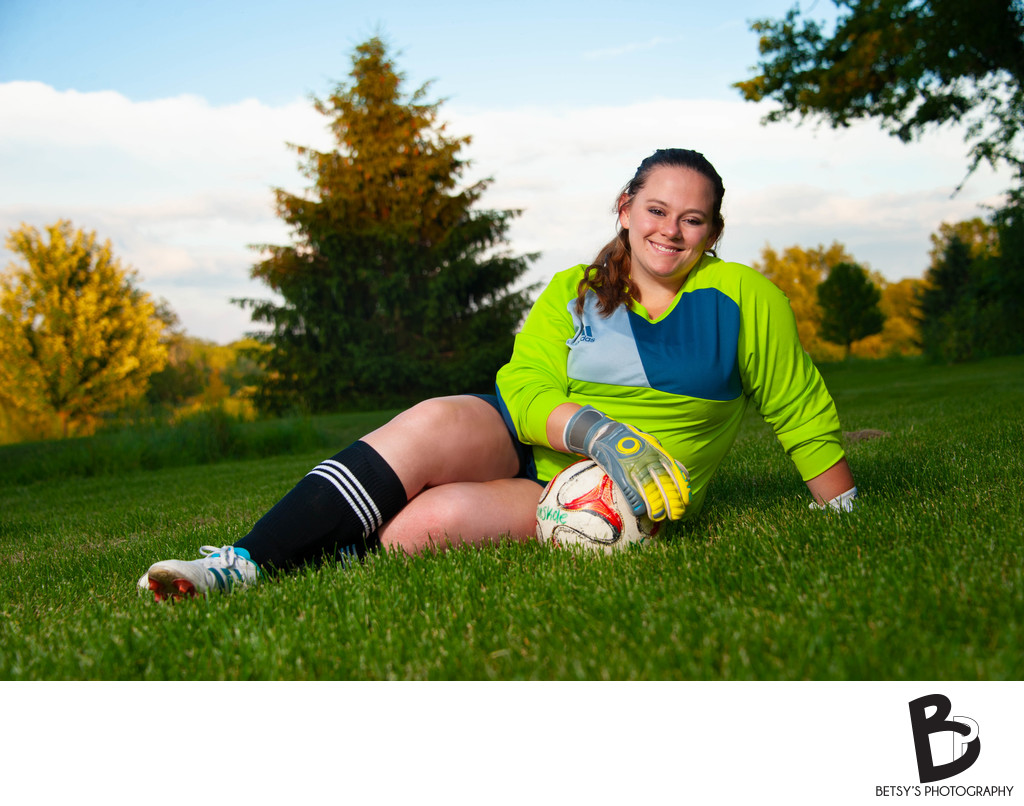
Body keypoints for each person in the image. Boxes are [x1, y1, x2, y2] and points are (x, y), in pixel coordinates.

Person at [139, 148, 856, 601]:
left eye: (693, 220)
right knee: (433, 421)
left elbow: (799, 409)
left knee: (432, 522)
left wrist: (844, 516)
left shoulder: (745, 299)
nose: (670, 230)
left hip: (596, 489)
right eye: (657, 209)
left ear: (714, 232)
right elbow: (523, 387)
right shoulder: (574, 288)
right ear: (626, 208)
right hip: (541, 433)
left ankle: (323, 558)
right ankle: (241, 564)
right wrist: (596, 427)